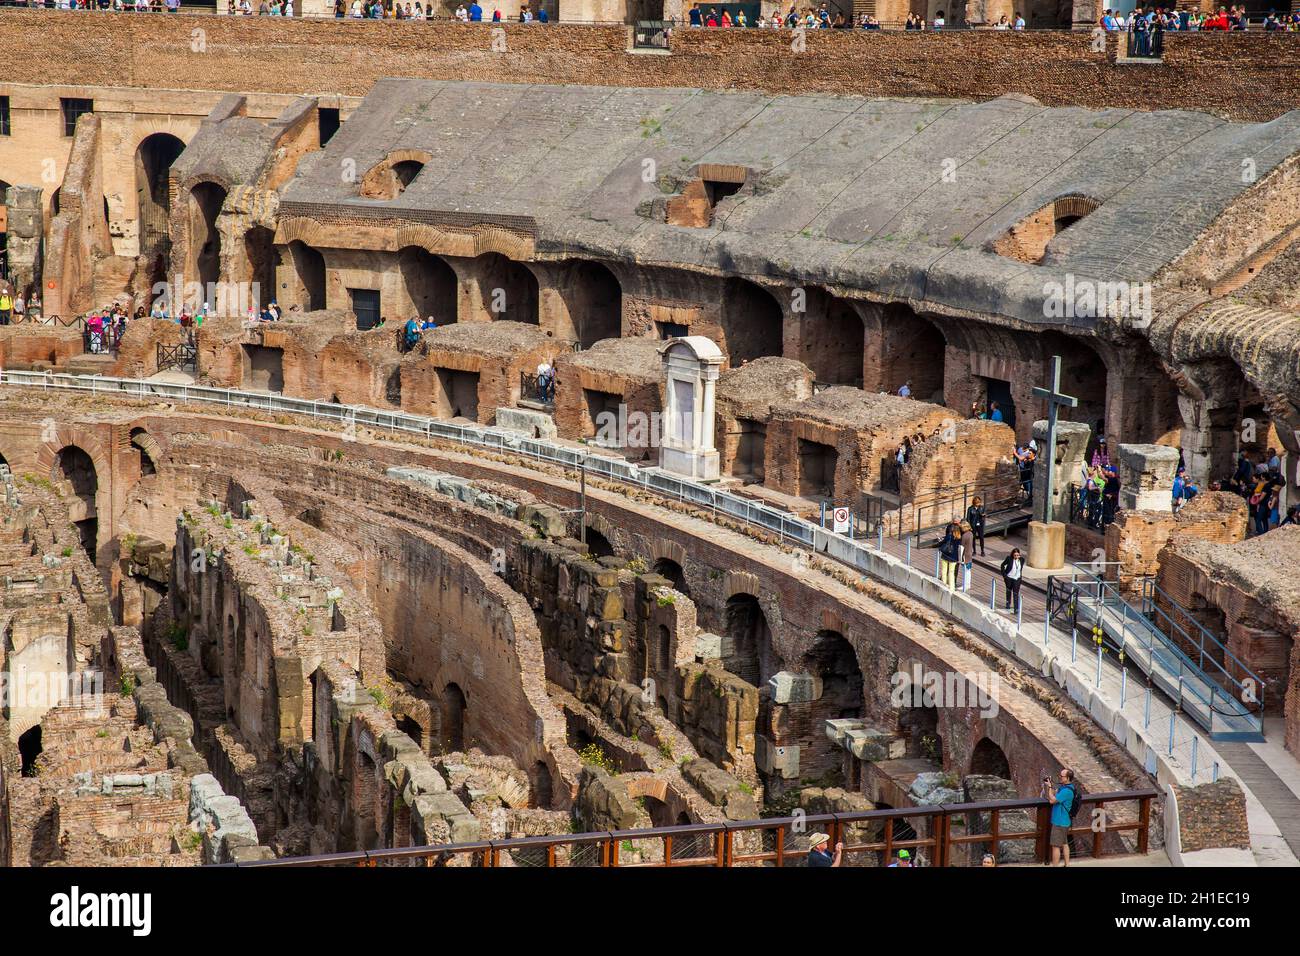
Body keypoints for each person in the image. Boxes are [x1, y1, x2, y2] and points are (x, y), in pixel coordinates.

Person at [1043, 768, 1076, 867]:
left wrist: (1049, 789)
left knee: (1055, 846)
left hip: (1059, 822)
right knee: (1064, 843)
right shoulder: (1066, 787)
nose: (1060, 777)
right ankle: (1067, 864)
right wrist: (1049, 786)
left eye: (1062, 776)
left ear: (1068, 778)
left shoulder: (1066, 791)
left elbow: (1052, 800)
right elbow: (1054, 794)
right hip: (1064, 821)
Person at [938, 521, 961, 591]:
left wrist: (940, 540)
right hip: (954, 557)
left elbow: (942, 542)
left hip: (945, 555)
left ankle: (944, 585)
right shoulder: (959, 538)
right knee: (951, 572)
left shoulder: (949, 536)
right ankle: (952, 587)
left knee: (944, 570)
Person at [1000, 547, 1023, 613]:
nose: (1016, 556)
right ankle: (1008, 602)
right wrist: (1004, 576)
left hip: (1017, 579)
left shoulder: (1022, 560)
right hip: (1009, 578)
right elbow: (1002, 565)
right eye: (1015, 555)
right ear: (1012, 554)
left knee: (1016, 593)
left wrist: (1020, 577)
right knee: (1009, 590)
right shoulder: (1009, 559)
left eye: (1017, 555)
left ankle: (1016, 608)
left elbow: (1021, 569)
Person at [959, 520, 975, 592]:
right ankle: (968, 584)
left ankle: (965, 585)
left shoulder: (964, 536)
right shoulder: (971, 534)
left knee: (965, 571)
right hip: (969, 554)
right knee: (968, 570)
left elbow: (961, 547)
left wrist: (960, 558)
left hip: (965, 554)